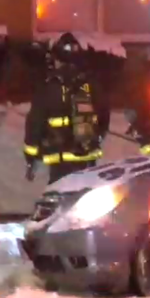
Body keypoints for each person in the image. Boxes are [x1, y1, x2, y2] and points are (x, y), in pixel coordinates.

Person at [23, 33, 109, 185]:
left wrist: (31, 157)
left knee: (60, 200)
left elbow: (35, 124)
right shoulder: (91, 85)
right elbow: (103, 116)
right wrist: (95, 137)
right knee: (86, 198)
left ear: (56, 59)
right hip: (87, 156)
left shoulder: (49, 87)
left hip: (60, 161)